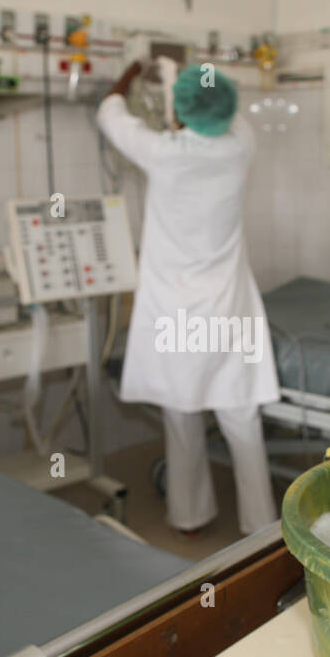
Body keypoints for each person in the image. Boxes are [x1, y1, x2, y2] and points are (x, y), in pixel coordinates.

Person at [97, 60, 279, 535]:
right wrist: (184, 73)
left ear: (181, 108)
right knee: (241, 413)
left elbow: (111, 114)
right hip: (228, 307)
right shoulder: (242, 147)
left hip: (175, 310)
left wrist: (134, 71)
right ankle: (261, 528)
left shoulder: (162, 152)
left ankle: (190, 515)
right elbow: (228, 108)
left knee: (181, 413)